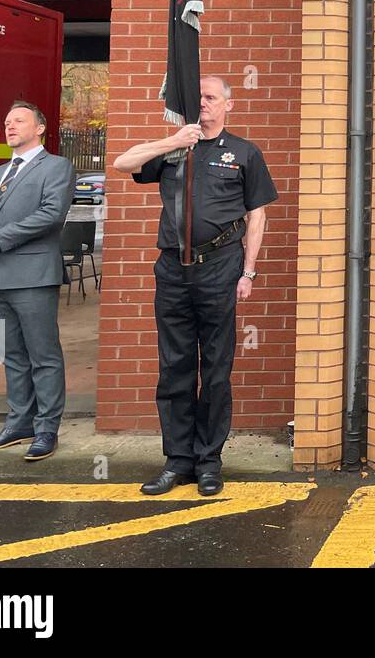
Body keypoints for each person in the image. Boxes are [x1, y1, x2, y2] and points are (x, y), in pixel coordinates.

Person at [113, 75, 277, 496]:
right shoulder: (173, 148)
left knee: (217, 369)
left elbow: (257, 216)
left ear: (228, 104)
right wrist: (170, 142)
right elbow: (122, 164)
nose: (202, 103)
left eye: (210, 97)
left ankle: (209, 461)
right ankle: (178, 460)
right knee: (175, 367)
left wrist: (249, 272)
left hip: (220, 266)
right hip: (172, 269)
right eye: (197, 97)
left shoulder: (244, 153)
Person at [0, 101, 77, 462]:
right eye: (6, 121)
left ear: (40, 128)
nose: (9, 126)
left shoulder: (57, 167)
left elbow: (50, 214)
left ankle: (46, 429)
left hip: (32, 276)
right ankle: (19, 424)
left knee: (43, 356)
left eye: (18, 121)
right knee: (12, 357)